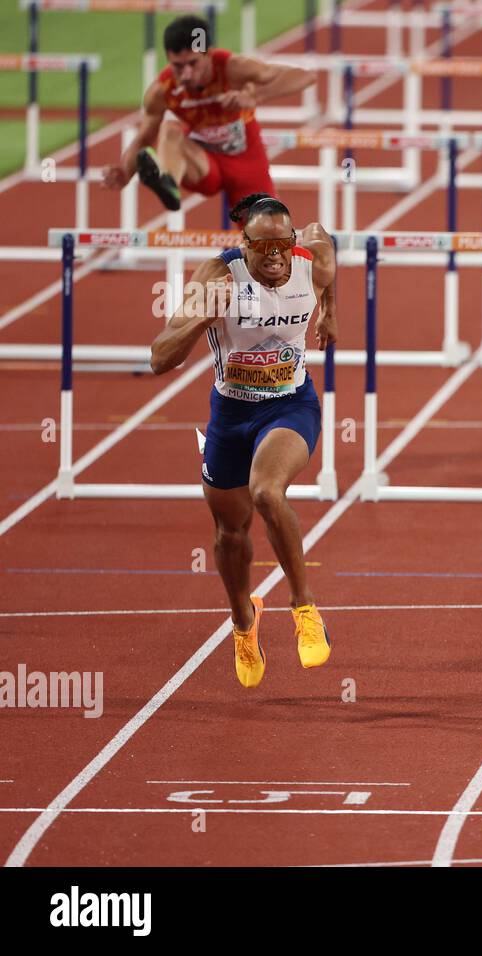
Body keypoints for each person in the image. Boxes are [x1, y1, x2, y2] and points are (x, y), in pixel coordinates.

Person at [150, 197, 339, 688]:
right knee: (230, 533)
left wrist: (330, 313)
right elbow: (158, 358)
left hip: (289, 404)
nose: (275, 256)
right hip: (231, 415)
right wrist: (202, 318)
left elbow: (326, 244)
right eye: (263, 247)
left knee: (266, 492)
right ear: (244, 245)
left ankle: (305, 610)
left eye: (284, 243)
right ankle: (243, 622)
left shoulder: (311, 259)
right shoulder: (218, 277)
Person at [102, 14, 313, 213]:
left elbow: (305, 76)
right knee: (170, 129)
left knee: (267, 236)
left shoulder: (233, 68)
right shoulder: (162, 90)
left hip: (247, 163)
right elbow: (145, 136)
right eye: (178, 66)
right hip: (204, 165)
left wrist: (255, 96)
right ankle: (167, 183)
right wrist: (125, 171)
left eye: (193, 63)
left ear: (208, 54)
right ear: (168, 58)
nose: (186, 74)